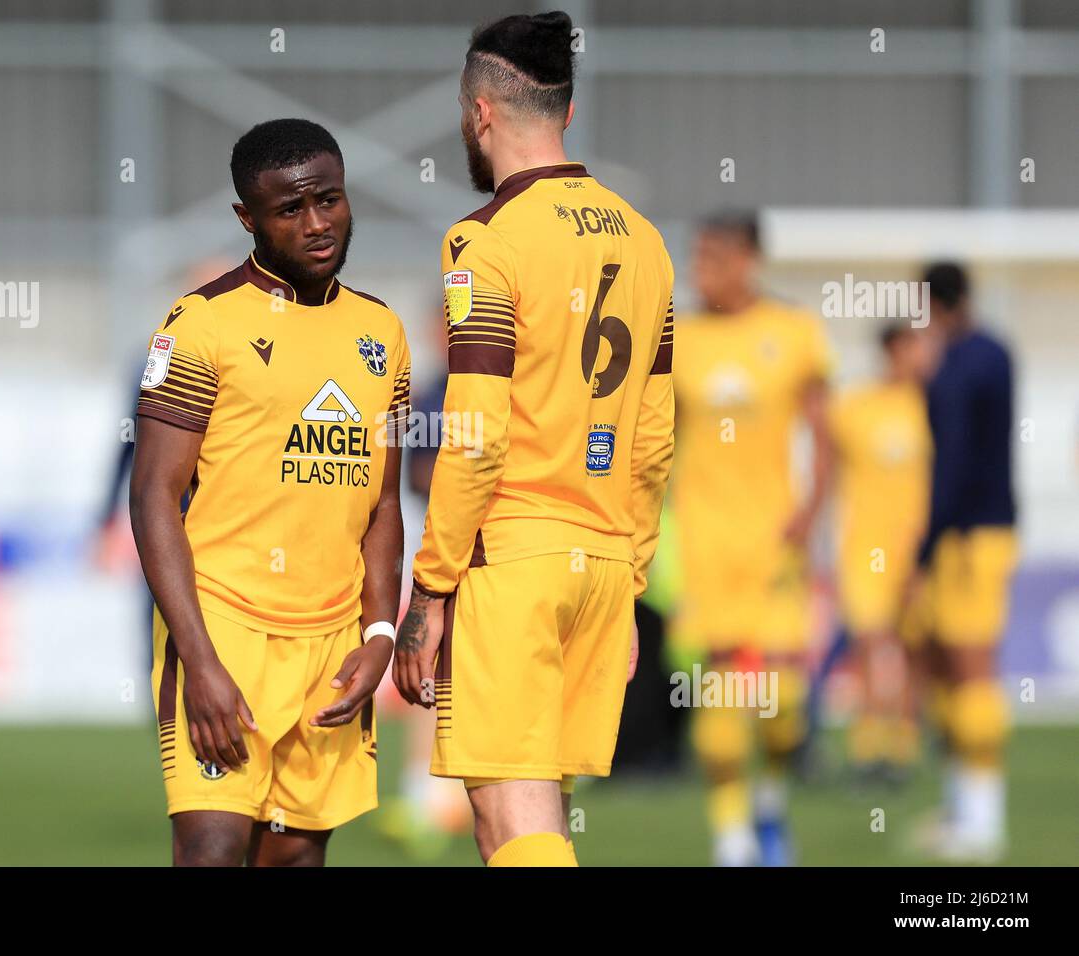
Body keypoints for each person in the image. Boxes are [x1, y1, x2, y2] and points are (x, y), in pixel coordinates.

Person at [394, 11, 675, 867]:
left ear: (480, 113)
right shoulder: (647, 241)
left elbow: (474, 434)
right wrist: (629, 577)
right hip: (599, 557)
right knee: (512, 823)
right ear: (568, 112)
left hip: (511, 563)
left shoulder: (485, 242)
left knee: (516, 823)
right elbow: (654, 439)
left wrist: (431, 588)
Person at [129, 118, 409, 866]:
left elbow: (384, 504)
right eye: (290, 209)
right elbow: (154, 494)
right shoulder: (201, 323)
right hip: (227, 629)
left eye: (330, 200)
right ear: (246, 219)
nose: (317, 223)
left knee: (293, 860)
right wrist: (201, 660)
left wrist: (379, 636)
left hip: (331, 646)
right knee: (214, 850)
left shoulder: (383, 332)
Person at [671, 211, 833, 866]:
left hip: (775, 542)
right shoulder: (677, 338)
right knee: (718, 700)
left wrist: (811, 510)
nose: (702, 270)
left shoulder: (793, 333)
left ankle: (769, 801)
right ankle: (733, 838)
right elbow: (654, 439)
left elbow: (825, 436)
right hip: (704, 543)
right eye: (698, 256)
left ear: (749, 261)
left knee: (781, 703)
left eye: (715, 257)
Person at [912, 261, 1017, 862]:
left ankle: (983, 820)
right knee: (951, 668)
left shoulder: (953, 367)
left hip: (968, 534)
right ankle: (962, 808)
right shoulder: (995, 353)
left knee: (973, 670)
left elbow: (950, 463)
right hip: (985, 526)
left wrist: (925, 546)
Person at [829, 323, 932, 782]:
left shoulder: (933, 407)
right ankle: (869, 748)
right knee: (870, 643)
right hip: (864, 546)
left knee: (913, 647)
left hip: (918, 548)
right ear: (893, 350)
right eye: (911, 347)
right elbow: (828, 469)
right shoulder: (855, 407)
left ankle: (905, 749)